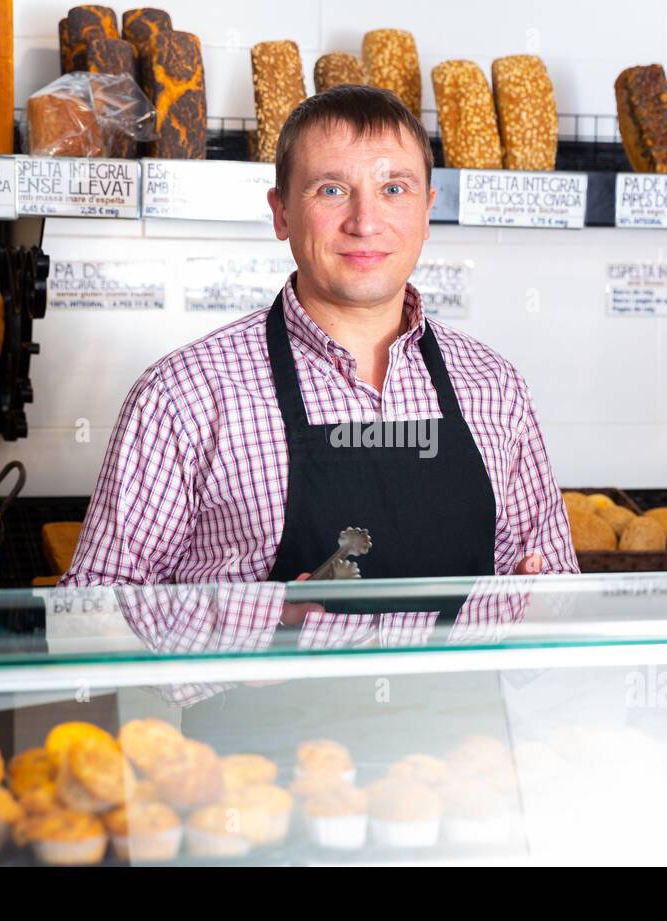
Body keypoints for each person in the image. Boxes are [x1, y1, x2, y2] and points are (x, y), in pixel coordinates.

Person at [60, 84, 577, 588]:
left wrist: (542, 605)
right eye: (331, 189)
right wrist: (264, 630)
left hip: (461, 680)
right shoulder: (185, 394)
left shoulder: (494, 386)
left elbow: (555, 594)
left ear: (426, 211)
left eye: (394, 189)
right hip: (263, 683)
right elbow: (94, 611)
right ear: (281, 212)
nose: (365, 222)